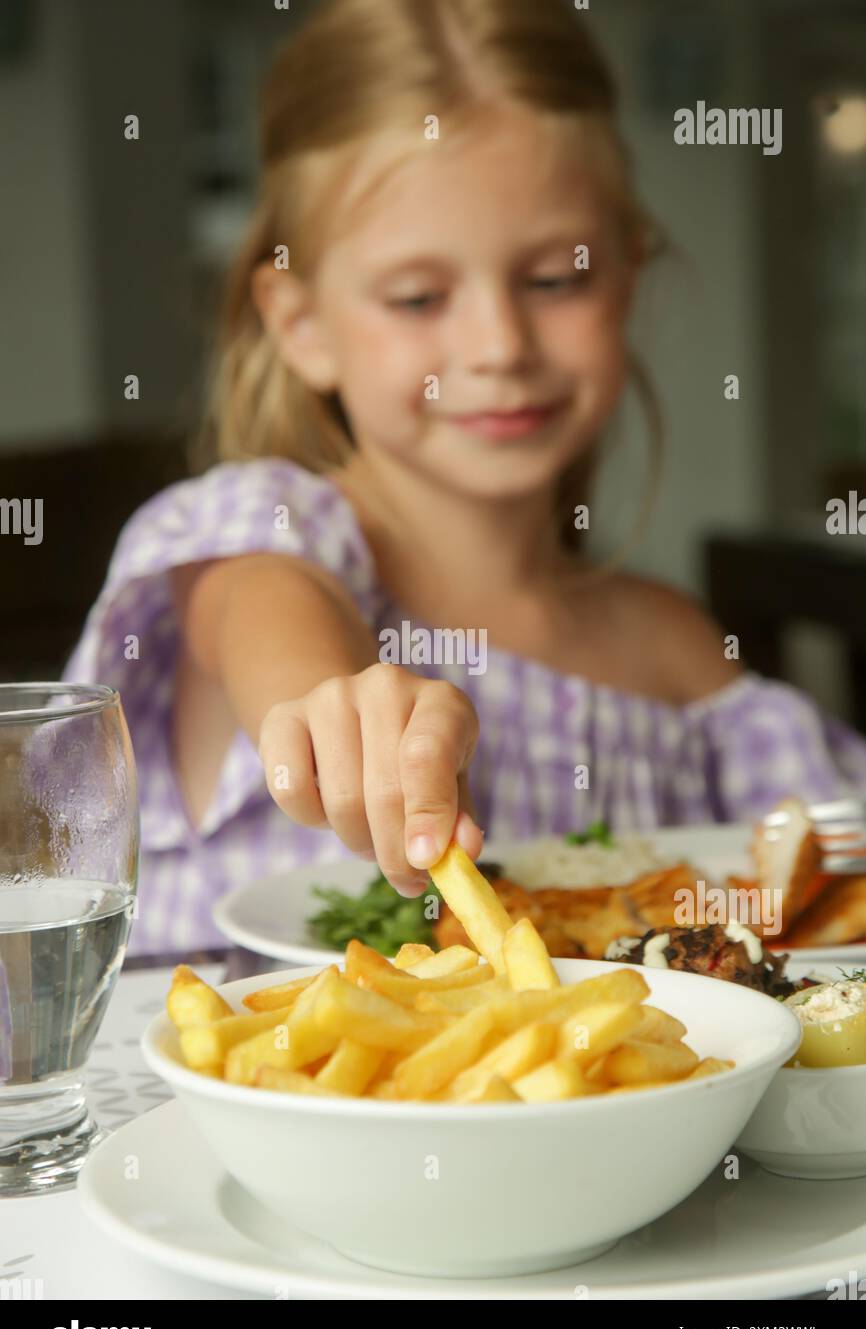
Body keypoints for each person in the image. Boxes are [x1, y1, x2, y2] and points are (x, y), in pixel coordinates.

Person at [63, 0, 866, 953]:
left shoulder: (680, 660)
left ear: (628, 274)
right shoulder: (257, 538)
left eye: (555, 279)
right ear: (299, 322)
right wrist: (348, 706)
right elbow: (267, 622)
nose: (497, 346)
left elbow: (828, 883)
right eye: (418, 296)